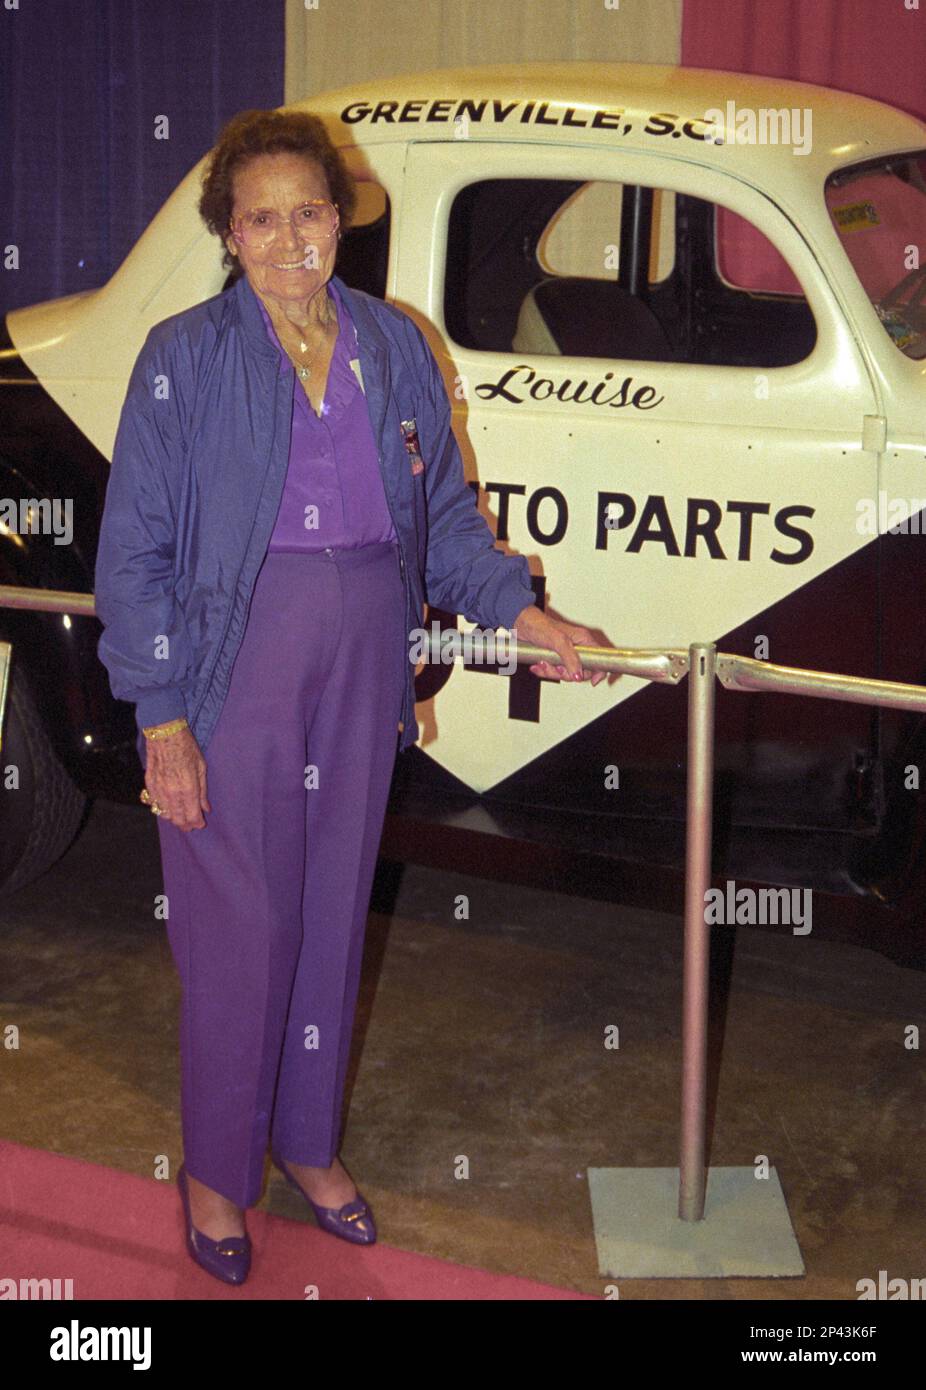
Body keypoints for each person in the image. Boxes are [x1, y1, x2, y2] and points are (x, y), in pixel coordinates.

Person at [94, 107, 606, 1286]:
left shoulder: (394, 344)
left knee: (331, 917)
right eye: (261, 218)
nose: (287, 237)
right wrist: (160, 715)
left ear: (339, 218)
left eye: (308, 212)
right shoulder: (184, 356)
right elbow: (133, 556)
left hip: (365, 659)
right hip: (235, 669)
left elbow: (446, 527)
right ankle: (218, 1168)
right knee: (240, 933)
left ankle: (308, 1142)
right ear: (230, 231)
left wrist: (521, 614)